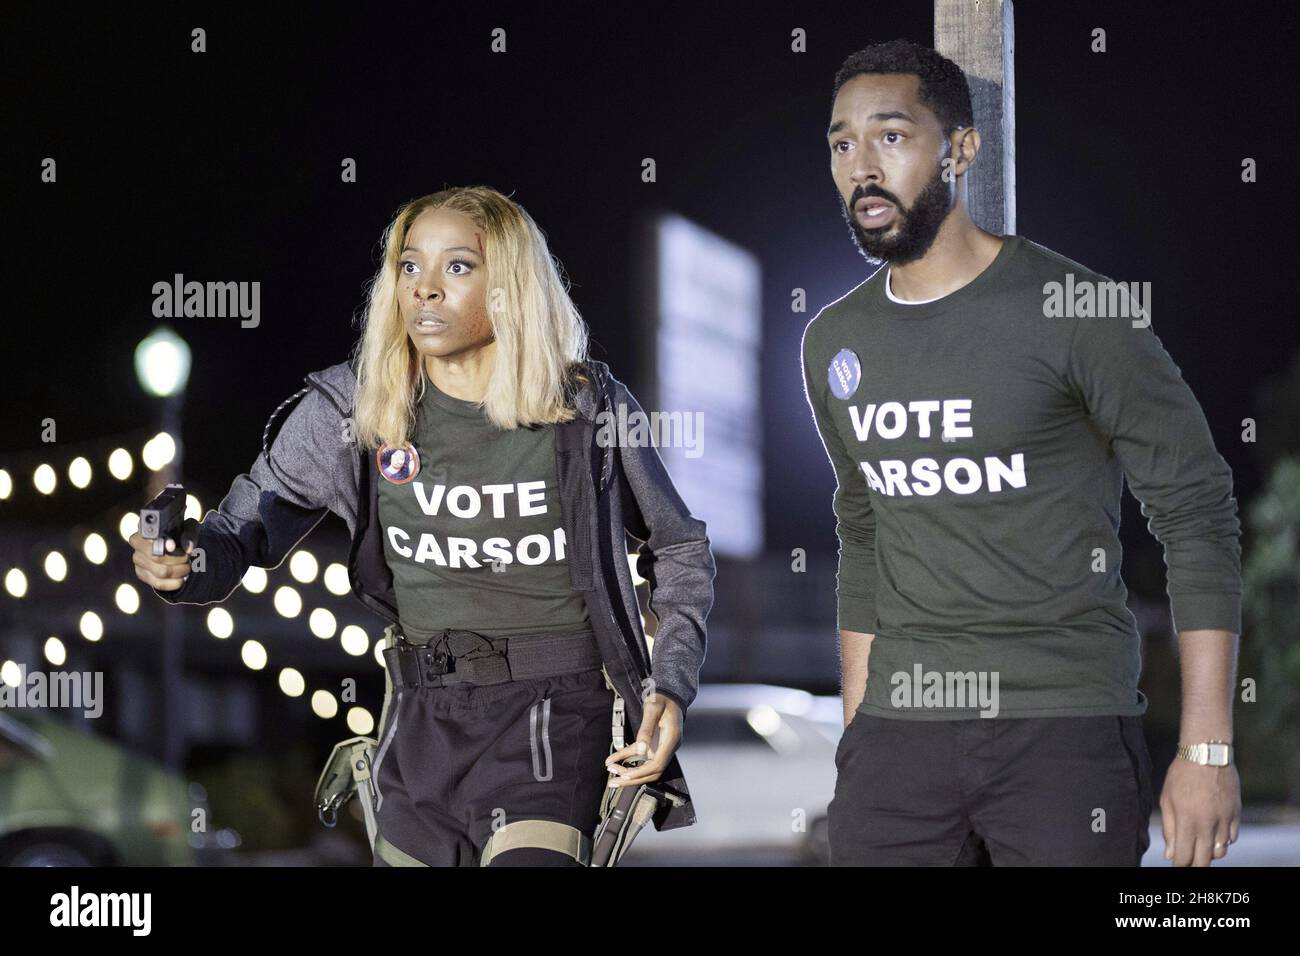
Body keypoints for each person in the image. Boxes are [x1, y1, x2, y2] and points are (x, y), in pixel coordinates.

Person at [130, 186, 716, 866]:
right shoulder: (354, 409)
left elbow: (679, 547)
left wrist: (669, 684)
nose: (426, 290)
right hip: (419, 720)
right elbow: (239, 533)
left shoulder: (584, 409)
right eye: (410, 267)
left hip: (553, 717)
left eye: (458, 267)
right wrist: (187, 565)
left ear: (511, 287)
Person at [802, 40, 1241, 866]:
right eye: (842, 143)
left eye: (891, 137)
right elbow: (861, 532)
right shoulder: (834, 341)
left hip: (1061, 728)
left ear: (960, 149)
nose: (863, 165)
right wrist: (860, 732)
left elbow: (1196, 514)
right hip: (899, 745)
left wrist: (1206, 750)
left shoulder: (1079, 311)